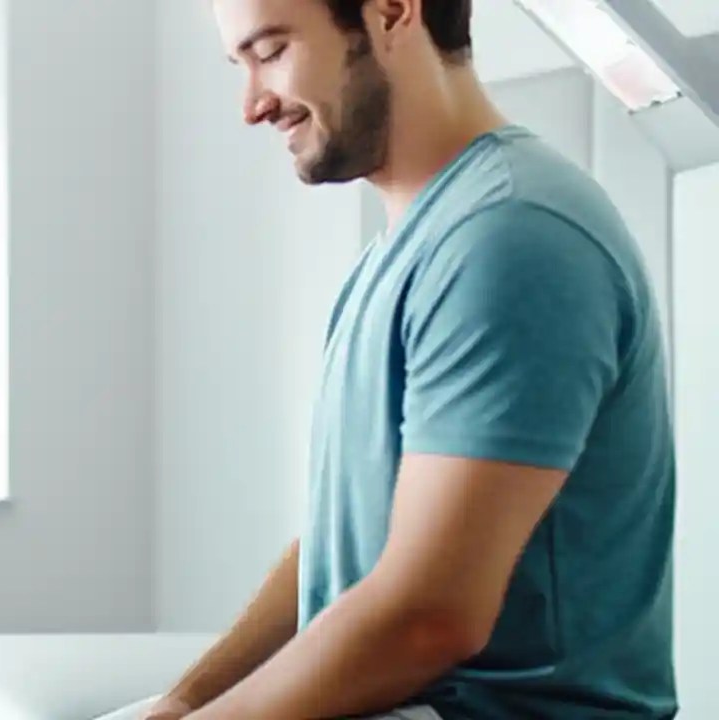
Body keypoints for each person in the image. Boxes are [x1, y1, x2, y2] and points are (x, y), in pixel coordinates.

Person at [144, 0, 676, 718]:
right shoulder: (408, 249)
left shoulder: (511, 237)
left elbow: (430, 618)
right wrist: (181, 703)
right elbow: (363, 547)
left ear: (393, 11)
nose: (252, 104)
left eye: (270, 52)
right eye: (240, 65)